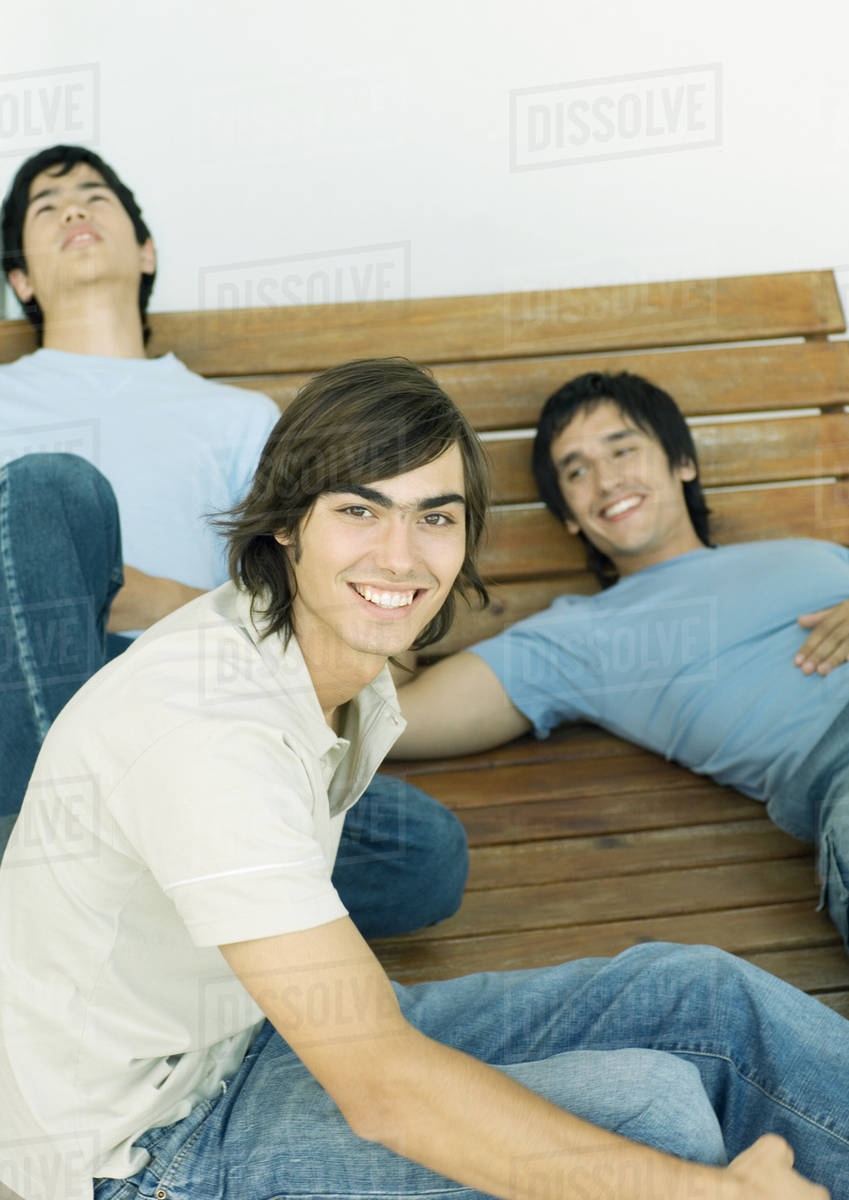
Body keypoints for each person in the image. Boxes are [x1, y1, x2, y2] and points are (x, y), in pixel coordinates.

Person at [0, 357, 841, 1200]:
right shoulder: (207, 730)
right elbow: (382, 1087)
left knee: (700, 997)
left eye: (433, 516)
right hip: (137, 1148)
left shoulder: (332, 662)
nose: (399, 557)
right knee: (649, 1114)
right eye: (359, 509)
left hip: (247, 1034)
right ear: (288, 523)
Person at [0, 145, 466, 935]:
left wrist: (149, 599)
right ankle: (71, 877)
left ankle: (79, 885)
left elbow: (331, 608)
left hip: (193, 702)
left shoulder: (236, 417)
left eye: (93, 197)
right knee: (51, 488)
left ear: (145, 252)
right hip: (31, 689)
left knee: (425, 855)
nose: (74, 210)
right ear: (21, 280)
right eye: (47, 208)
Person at [393, 369, 849, 947]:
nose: (607, 480)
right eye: (577, 471)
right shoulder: (579, 638)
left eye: (623, 449)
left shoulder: (811, 554)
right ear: (568, 515)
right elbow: (395, 719)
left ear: (682, 462)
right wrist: (405, 556)